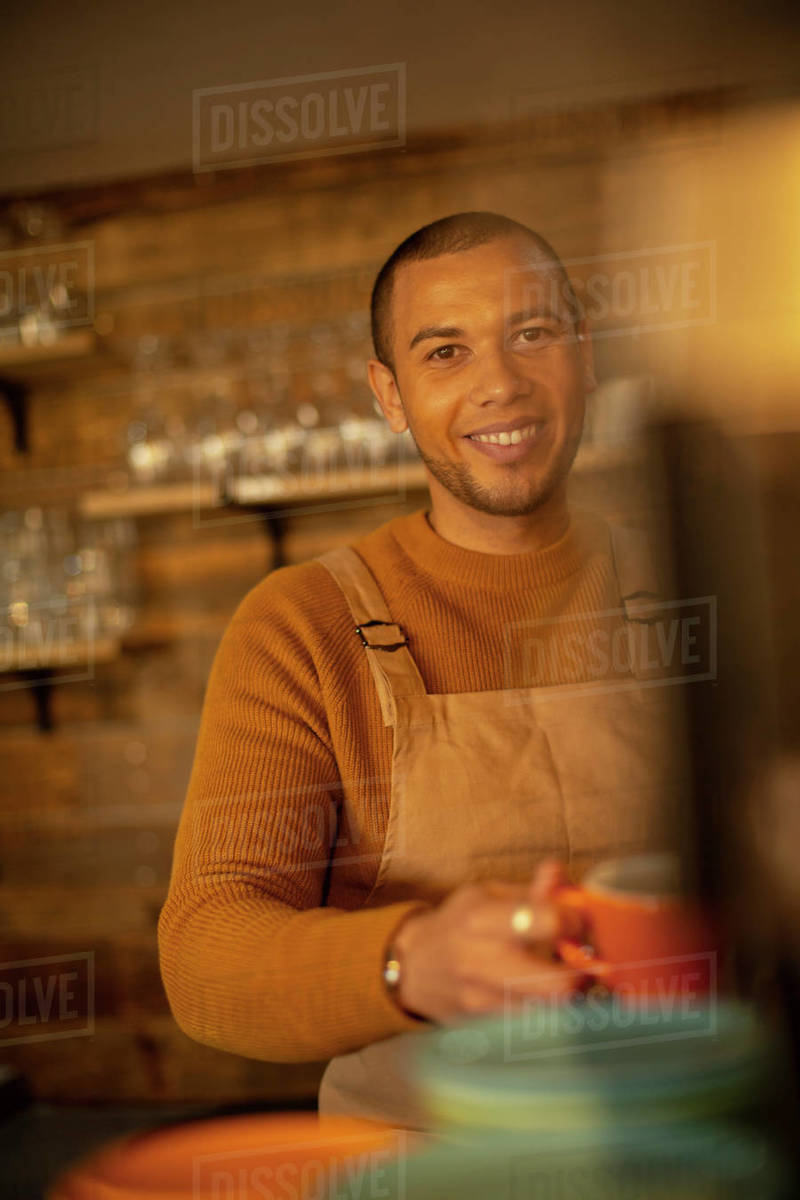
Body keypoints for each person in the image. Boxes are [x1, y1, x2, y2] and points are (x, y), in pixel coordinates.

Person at [158, 212, 680, 1128]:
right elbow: (205, 955)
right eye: (445, 353)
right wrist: (409, 961)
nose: (501, 385)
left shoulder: (697, 582)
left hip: (699, 1143)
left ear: (586, 356)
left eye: (533, 334)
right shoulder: (303, 626)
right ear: (388, 394)